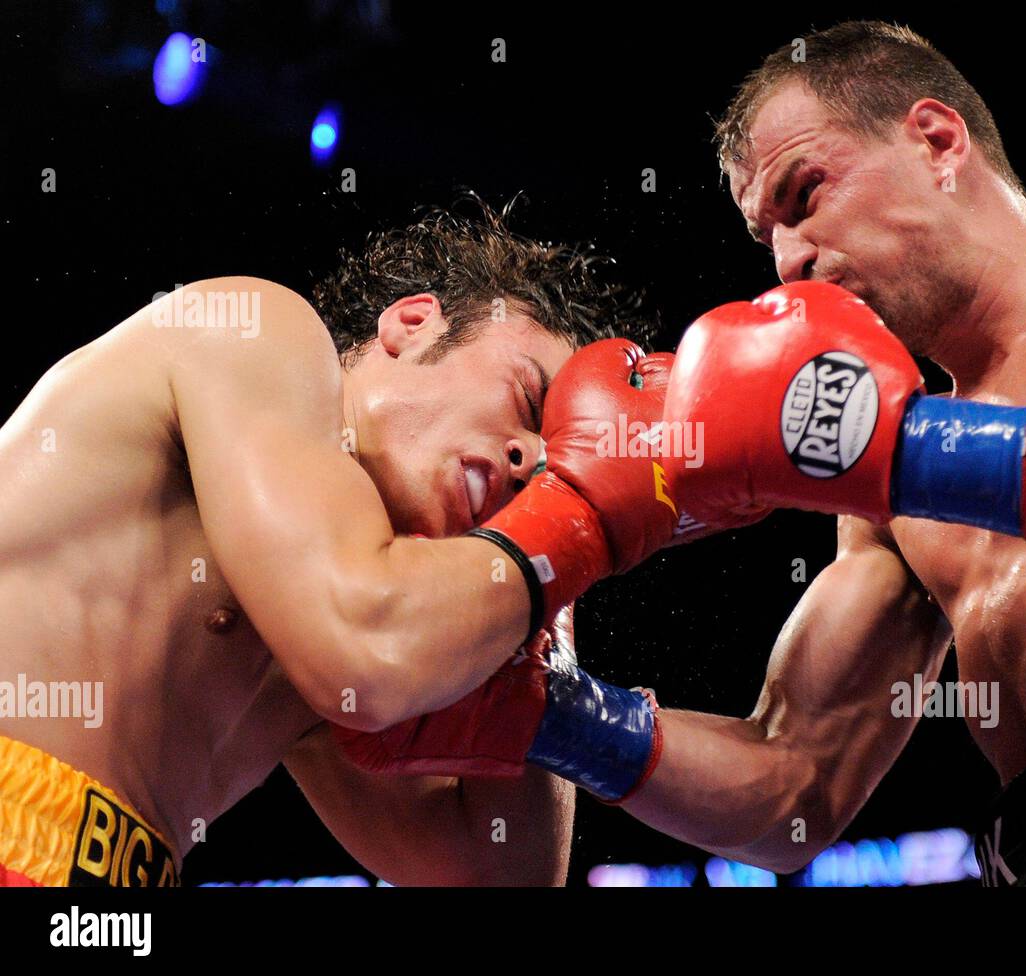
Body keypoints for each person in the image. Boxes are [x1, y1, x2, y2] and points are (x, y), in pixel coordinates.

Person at [358, 23, 1026, 887]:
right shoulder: (886, 484)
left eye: (805, 195)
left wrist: (899, 451)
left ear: (936, 142)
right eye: (767, 236)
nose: (788, 261)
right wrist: (554, 714)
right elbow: (793, 794)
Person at [0, 203, 677, 886]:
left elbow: (501, 876)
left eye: (554, 464)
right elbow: (363, 644)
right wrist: (581, 512)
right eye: (530, 402)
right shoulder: (256, 331)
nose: (527, 461)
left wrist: (551, 598)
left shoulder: (349, 627)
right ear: (413, 324)